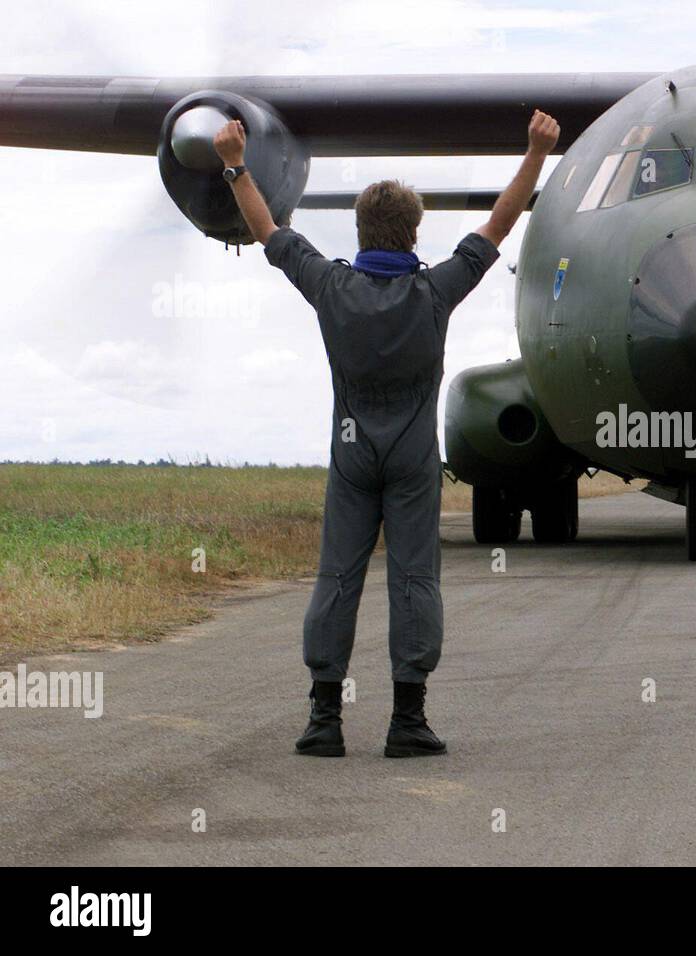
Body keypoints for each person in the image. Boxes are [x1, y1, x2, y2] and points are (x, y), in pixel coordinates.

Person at [213, 109, 560, 758]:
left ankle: (323, 720)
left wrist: (235, 163)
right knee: (414, 580)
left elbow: (268, 232)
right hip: (412, 457)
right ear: (413, 233)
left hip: (351, 451)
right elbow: (499, 224)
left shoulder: (330, 285)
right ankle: (408, 720)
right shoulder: (436, 291)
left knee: (336, 578)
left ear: (362, 229)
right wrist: (537, 153)